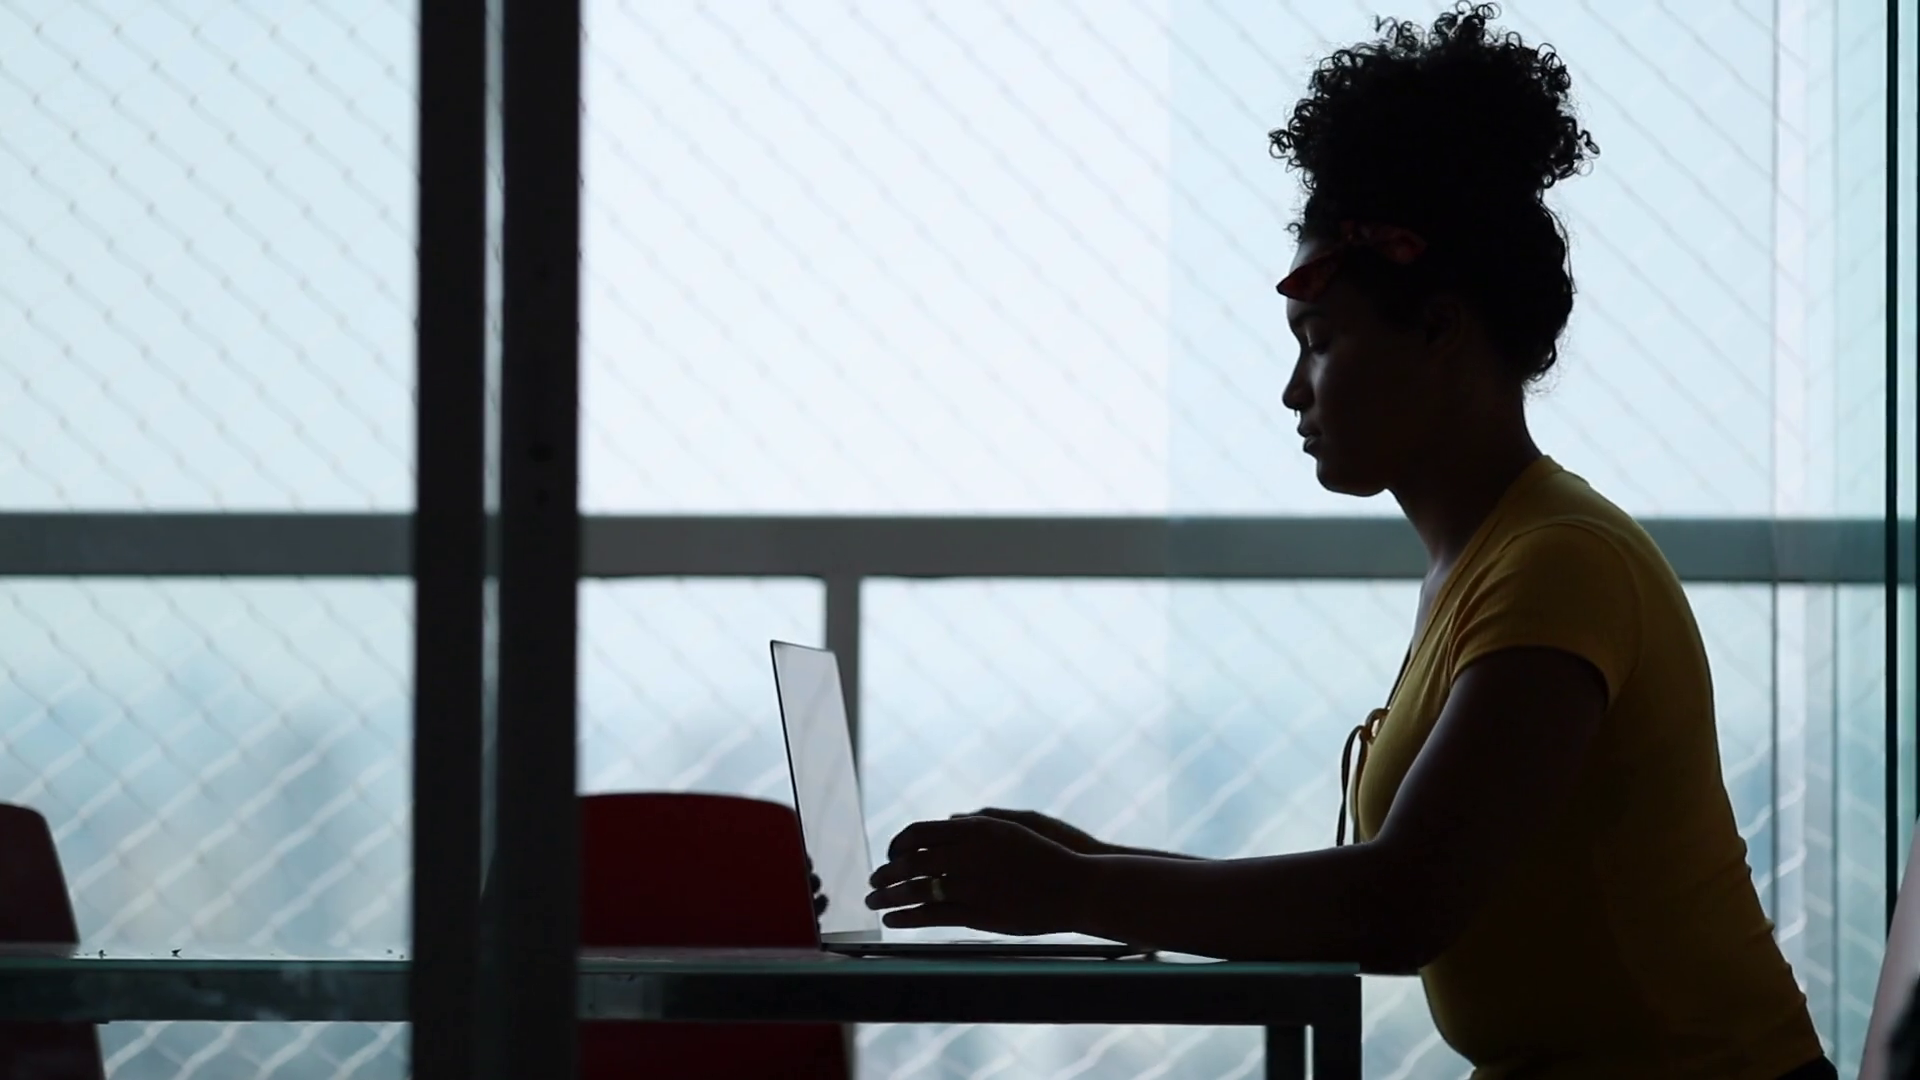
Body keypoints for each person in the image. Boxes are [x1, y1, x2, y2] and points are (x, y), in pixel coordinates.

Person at [863, 5, 1834, 1078]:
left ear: (1439, 330)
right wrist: (1091, 865)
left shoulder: (1561, 566)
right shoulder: (1498, 560)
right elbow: (1373, 889)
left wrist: (1077, 890)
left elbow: (1397, 904)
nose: (1293, 391)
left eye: (1320, 343)